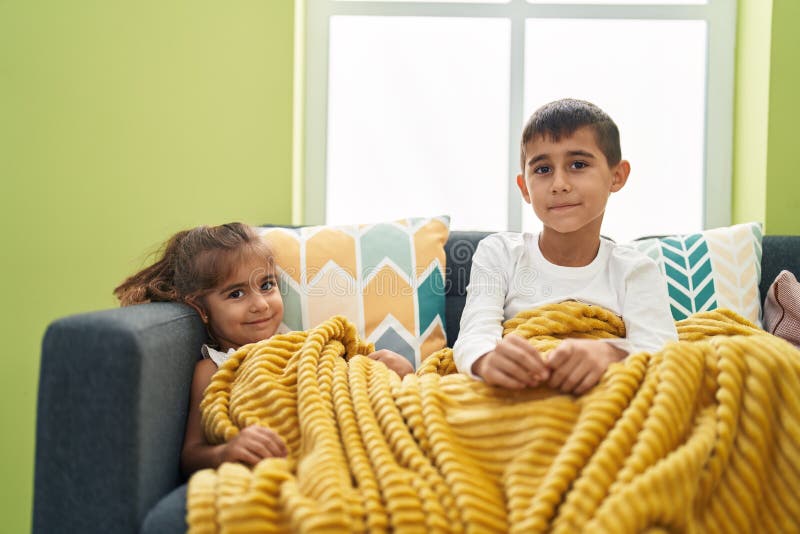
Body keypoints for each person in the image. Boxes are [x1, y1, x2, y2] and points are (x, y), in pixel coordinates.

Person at [114, 222, 413, 476]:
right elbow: (191, 454)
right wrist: (226, 452)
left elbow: (341, 384)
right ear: (200, 308)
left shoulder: (302, 342)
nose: (259, 304)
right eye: (236, 293)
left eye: (267, 285)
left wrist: (387, 369)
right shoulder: (214, 368)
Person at [453, 98, 677, 394]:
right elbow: (474, 334)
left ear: (617, 176)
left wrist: (610, 354)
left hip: (602, 395)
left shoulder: (634, 270)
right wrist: (486, 360)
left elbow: (662, 350)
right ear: (525, 188)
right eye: (543, 169)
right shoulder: (500, 253)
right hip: (517, 393)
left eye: (578, 164)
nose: (559, 183)